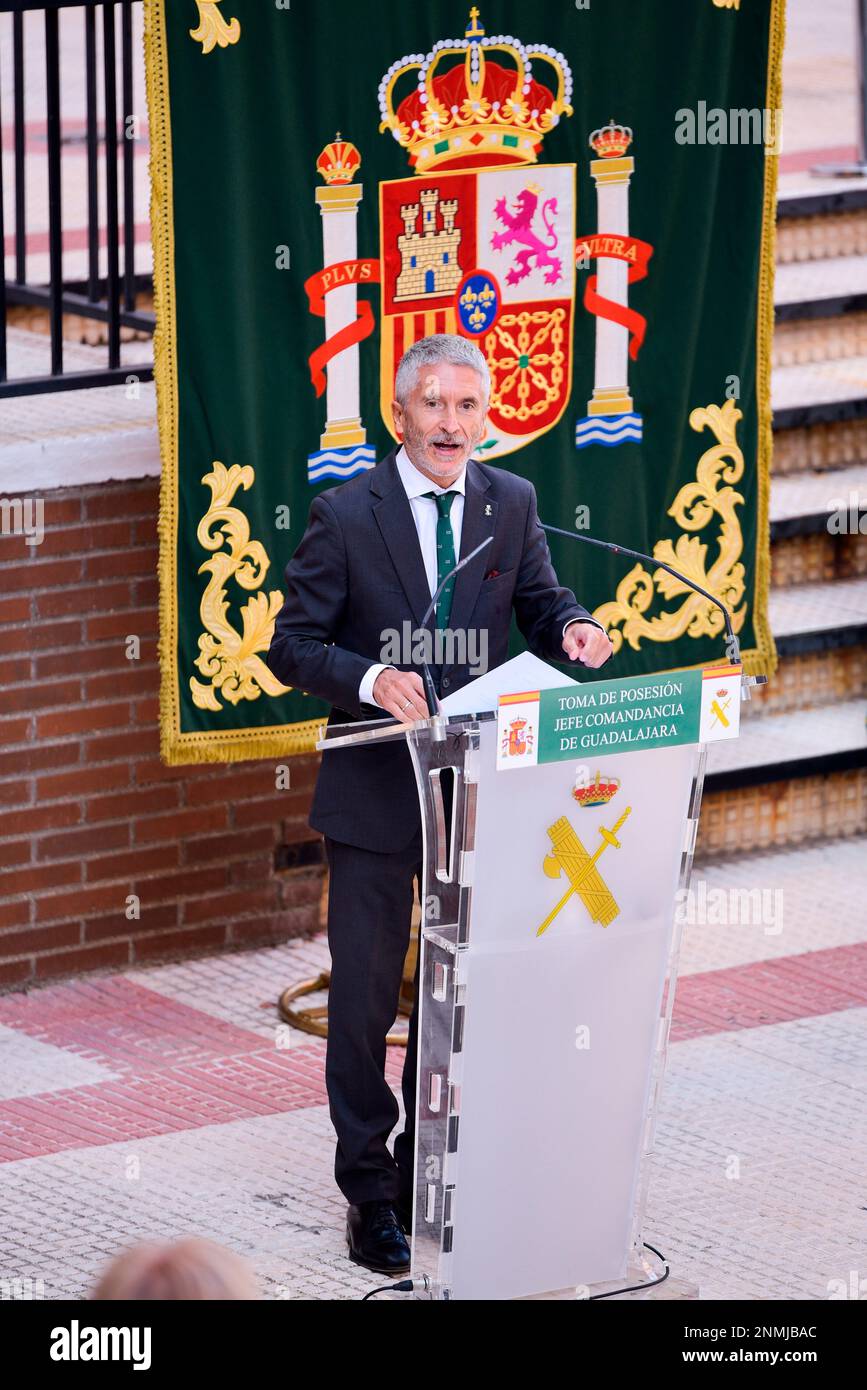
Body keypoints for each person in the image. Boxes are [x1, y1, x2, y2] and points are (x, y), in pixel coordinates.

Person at [266, 333, 613, 1275]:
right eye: (433, 406)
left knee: (452, 994)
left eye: (467, 407)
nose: (451, 425)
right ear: (399, 412)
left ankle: (434, 1172)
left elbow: (541, 602)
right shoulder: (345, 513)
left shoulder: (512, 502)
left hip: (476, 793)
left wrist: (574, 625)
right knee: (366, 998)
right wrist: (373, 677)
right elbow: (290, 645)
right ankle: (368, 1195)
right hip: (376, 793)